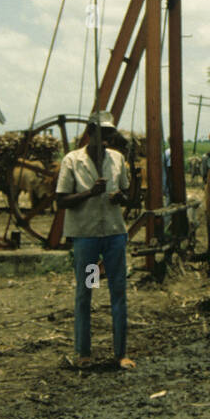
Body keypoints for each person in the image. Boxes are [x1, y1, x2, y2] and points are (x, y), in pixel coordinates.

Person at [55, 112, 134, 370]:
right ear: (91, 132)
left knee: (118, 292)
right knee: (86, 292)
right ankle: (84, 352)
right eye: (103, 132)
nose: (108, 138)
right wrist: (91, 193)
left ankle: (120, 353)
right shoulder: (72, 161)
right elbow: (62, 200)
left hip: (113, 236)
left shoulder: (117, 159)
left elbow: (127, 194)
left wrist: (119, 197)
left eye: (110, 133)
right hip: (87, 239)